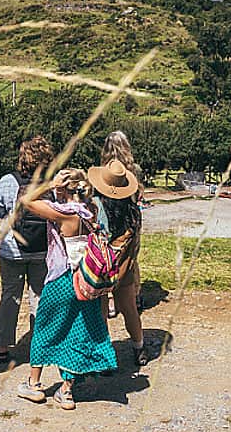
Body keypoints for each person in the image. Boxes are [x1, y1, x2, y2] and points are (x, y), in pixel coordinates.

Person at [19, 168, 119, 410]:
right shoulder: (91, 214)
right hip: (87, 281)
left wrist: (49, 184)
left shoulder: (65, 215)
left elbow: (26, 201)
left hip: (62, 279)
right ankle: (66, 391)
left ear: (62, 189)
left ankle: (34, 384)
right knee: (78, 331)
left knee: (45, 328)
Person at [0, 135, 55, 362]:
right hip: (42, 251)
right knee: (39, 297)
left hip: (11, 250)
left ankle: (3, 346)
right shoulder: (52, 183)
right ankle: (40, 345)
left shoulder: (9, 181)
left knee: (10, 296)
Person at [98, 131, 147, 368]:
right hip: (125, 249)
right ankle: (139, 348)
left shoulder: (101, 174)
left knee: (100, 310)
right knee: (128, 306)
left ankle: (106, 356)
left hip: (102, 252)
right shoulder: (133, 174)